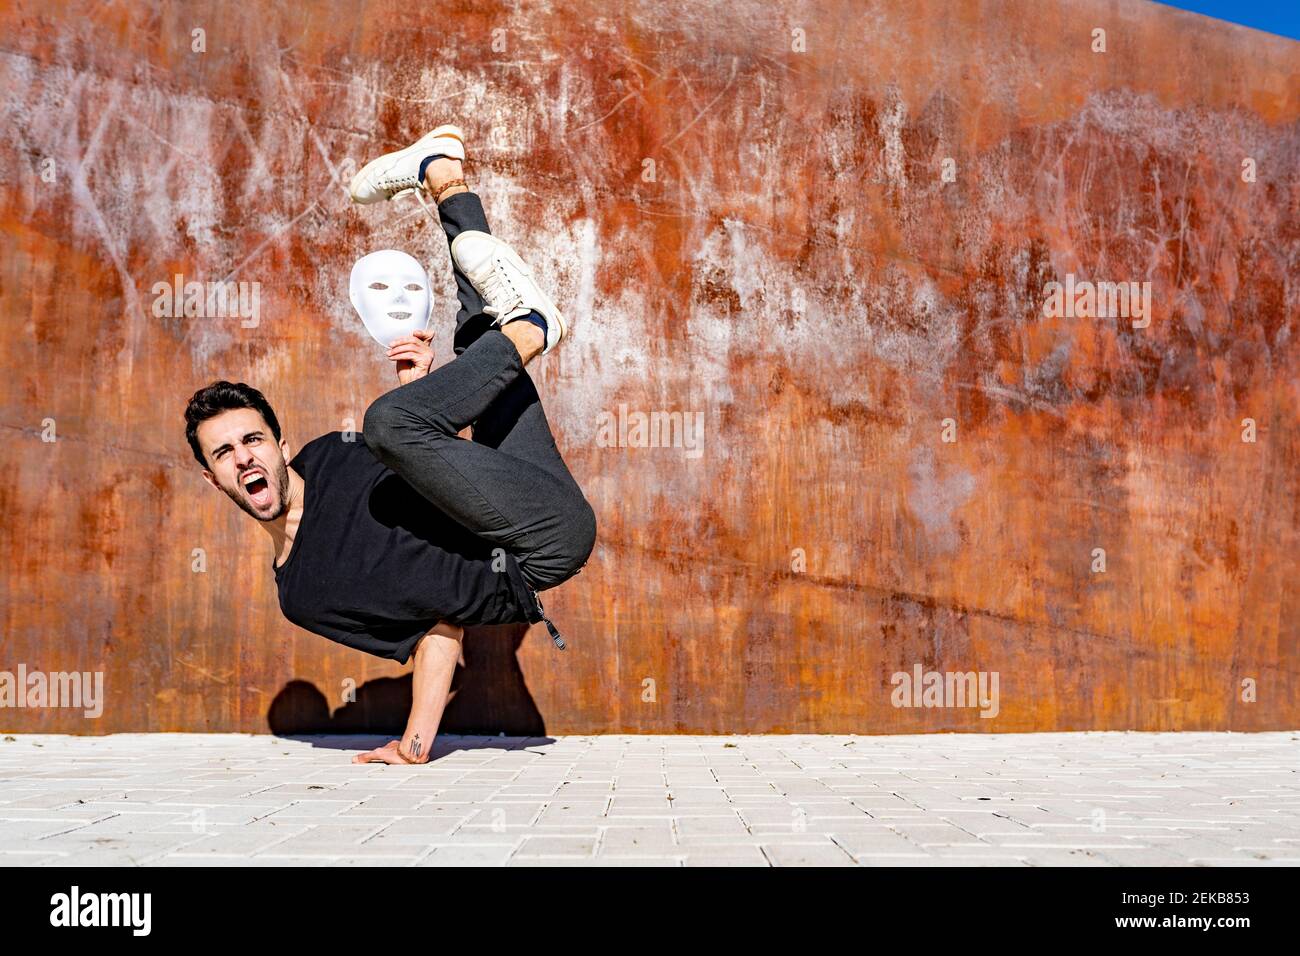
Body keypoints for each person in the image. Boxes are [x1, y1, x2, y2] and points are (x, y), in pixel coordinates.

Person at [183, 125, 596, 765]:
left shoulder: (326, 454)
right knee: (433, 387)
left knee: (477, 329)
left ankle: (444, 177)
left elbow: (444, 471)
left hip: (514, 504)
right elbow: (436, 628)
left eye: (253, 439)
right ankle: (528, 326)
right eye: (225, 454)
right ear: (214, 478)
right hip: (538, 552)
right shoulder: (303, 595)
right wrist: (414, 746)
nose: (244, 458)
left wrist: (419, 393)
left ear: (278, 442)